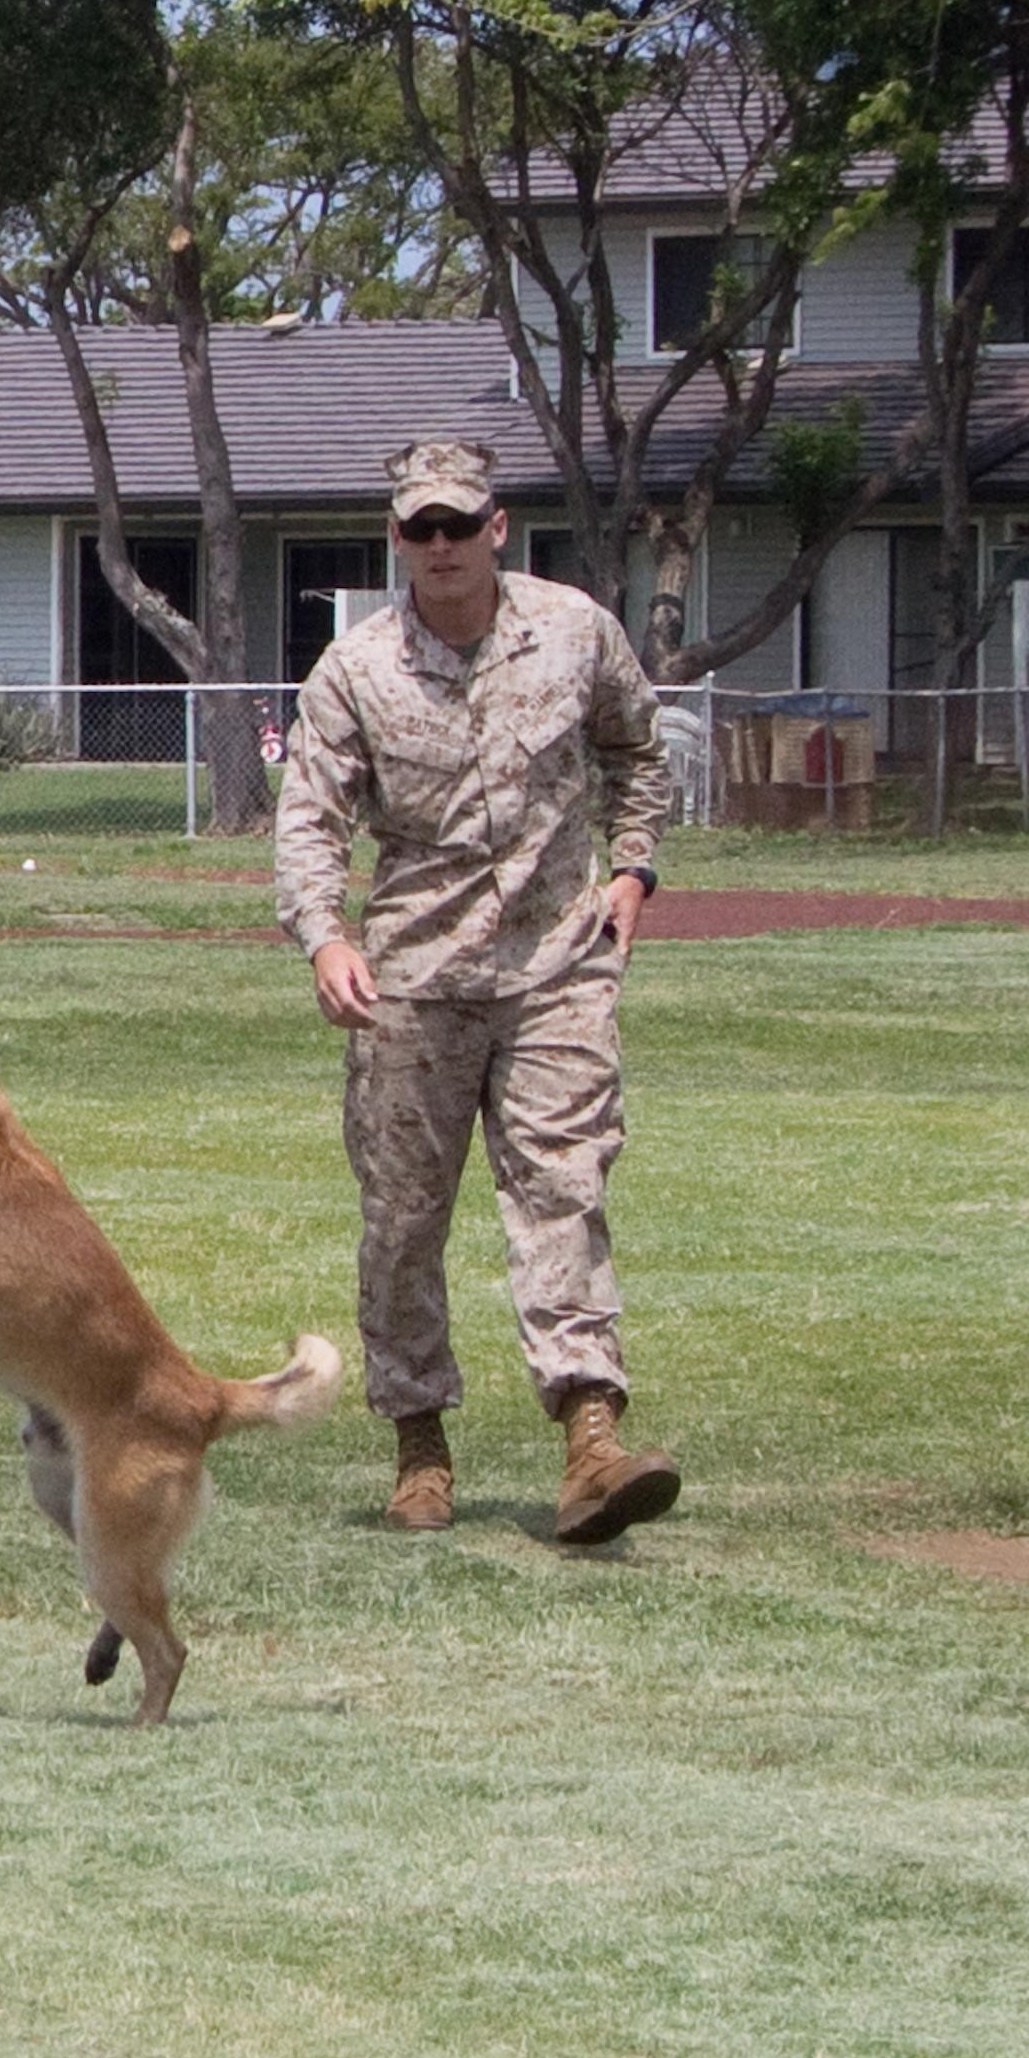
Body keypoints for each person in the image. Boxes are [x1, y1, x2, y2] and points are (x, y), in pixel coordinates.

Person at [274, 437, 681, 1547]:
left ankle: (591, 1439)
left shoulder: (575, 631)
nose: (443, 544)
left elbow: (639, 751)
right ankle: (419, 1446)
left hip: (557, 964)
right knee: (404, 1220)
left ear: (498, 527)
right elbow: (310, 818)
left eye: (461, 523)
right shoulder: (356, 670)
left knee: (563, 1185)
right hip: (411, 980)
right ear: (397, 539)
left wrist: (635, 868)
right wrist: (324, 937)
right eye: (423, 528)